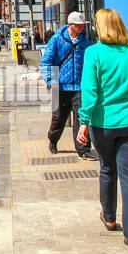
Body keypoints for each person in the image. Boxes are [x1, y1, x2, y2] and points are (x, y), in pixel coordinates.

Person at [77, 8, 128, 250]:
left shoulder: (94, 53)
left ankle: (109, 217)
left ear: (100, 28)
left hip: (104, 123)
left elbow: (90, 91)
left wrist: (84, 122)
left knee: (108, 169)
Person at [39, 11, 96, 159]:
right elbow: (46, 62)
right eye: (79, 25)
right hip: (60, 86)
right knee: (58, 118)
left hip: (80, 86)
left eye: (83, 25)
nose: (82, 27)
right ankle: (53, 140)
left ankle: (83, 149)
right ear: (71, 25)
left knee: (81, 118)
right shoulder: (57, 39)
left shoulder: (85, 41)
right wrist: (51, 81)